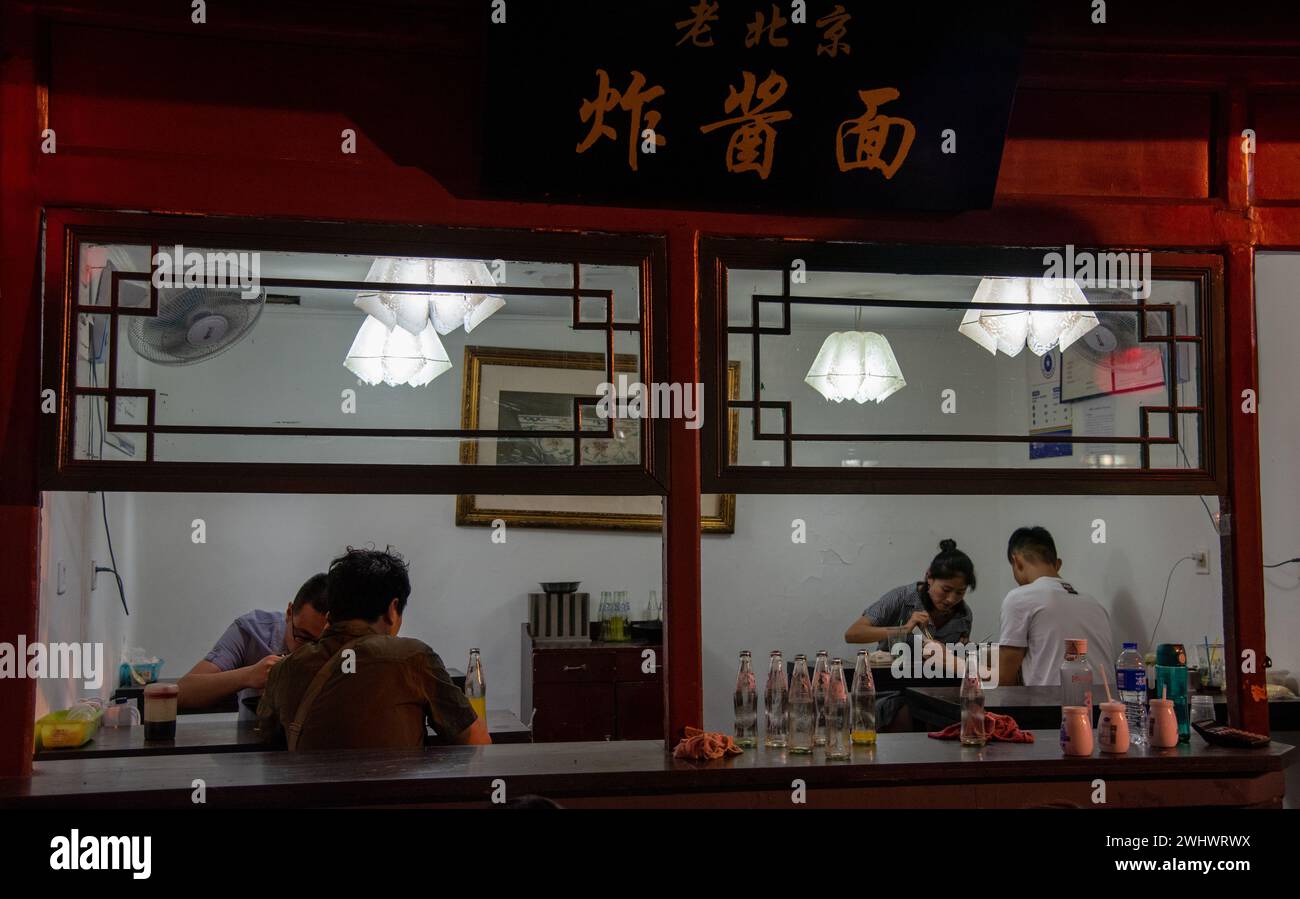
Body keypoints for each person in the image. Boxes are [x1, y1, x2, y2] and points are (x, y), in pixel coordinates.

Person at [256, 546, 491, 750]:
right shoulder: (413, 658)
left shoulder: (283, 670)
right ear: (392, 609)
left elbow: (269, 739)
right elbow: (477, 743)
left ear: (331, 611)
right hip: (395, 800)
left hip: (309, 801)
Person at [844, 539, 977, 730]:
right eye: (946, 590)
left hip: (935, 690)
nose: (951, 599)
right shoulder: (902, 598)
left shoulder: (964, 615)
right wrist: (903, 629)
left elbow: (954, 666)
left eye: (960, 592)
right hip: (891, 689)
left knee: (956, 713)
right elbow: (853, 634)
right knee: (905, 712)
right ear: (929, 577)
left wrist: (960, 651)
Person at [179, 573, 329, 717]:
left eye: (319, 643)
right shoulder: (251, 632)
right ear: (289, 613)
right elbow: (184, 691)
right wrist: (250, 675)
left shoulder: (342, 644)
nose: (309, 650)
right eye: (302, 637)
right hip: (251, 740)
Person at [997, 526, 1114, 687]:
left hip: (1051, 708)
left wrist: (957, 664)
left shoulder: (1019, 598)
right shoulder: (1094, 603)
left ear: (1016, 561)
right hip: (1106, 708)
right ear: (1057, 564)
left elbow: (1003, 680)